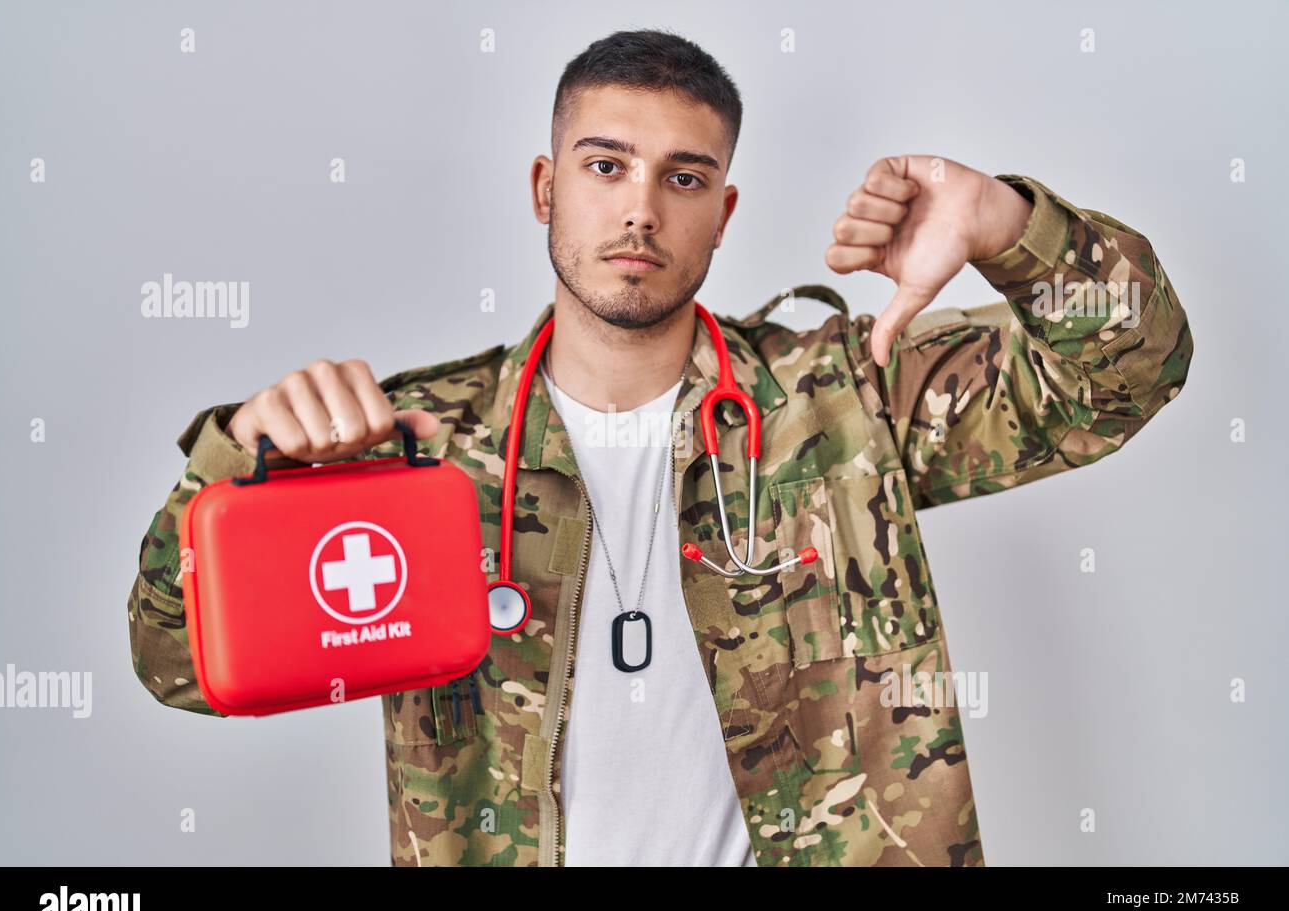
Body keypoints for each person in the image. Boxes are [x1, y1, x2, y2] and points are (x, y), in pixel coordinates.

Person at [128, 28, 1193, 867]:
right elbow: (180, 664)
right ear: (547, 189)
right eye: (606, 165)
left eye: (682, 179)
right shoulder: (413, 447)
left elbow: (1125, 368)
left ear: (722, 213)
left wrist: (1005, 222)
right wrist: (235, 465)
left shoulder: (840, 399)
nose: (639, 209)